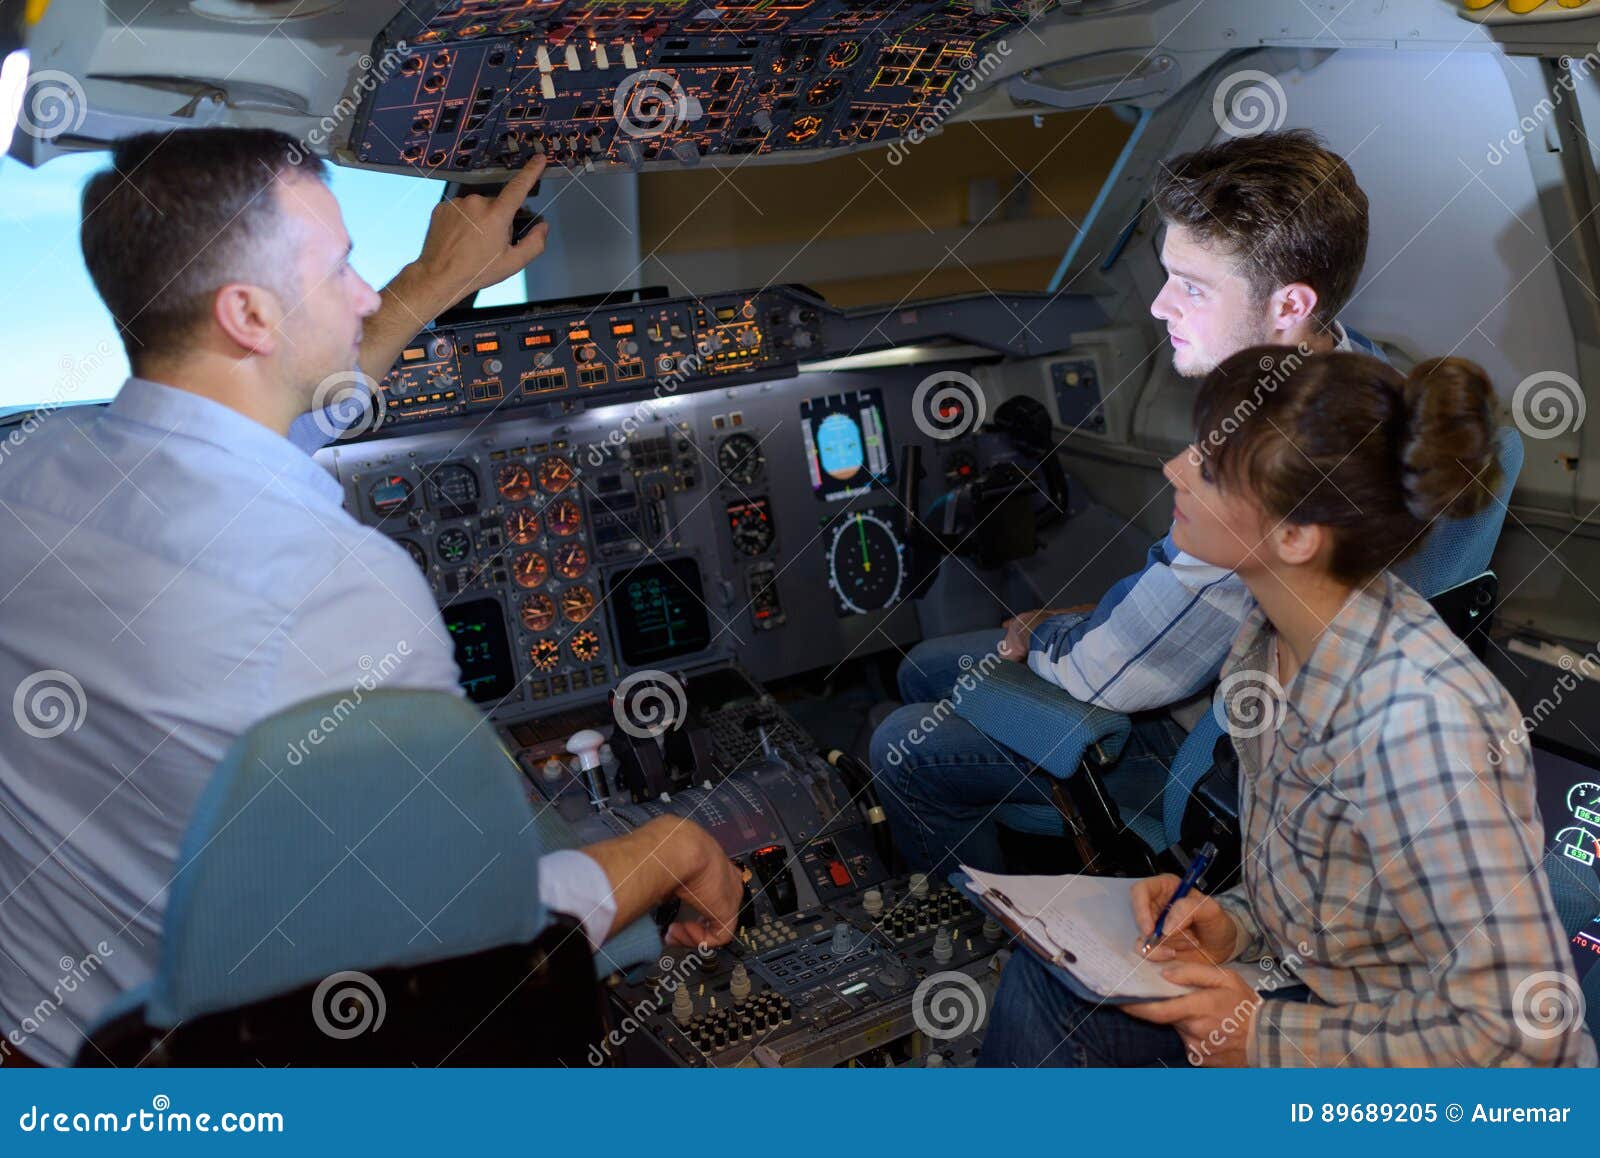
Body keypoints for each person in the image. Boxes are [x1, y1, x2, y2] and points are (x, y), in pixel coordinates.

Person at [0, 129, 741, 1068]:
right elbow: (469, 959)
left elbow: (255, 443)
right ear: (249, 316)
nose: (363, 293)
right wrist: (671, 846)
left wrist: (432, 285)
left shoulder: (31, 475)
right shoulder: (338, 587)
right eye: (342, 269)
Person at [980, 347, 1597, 1067]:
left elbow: (1526, 1043)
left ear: (1297, 536)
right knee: (1044, 983)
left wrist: (1261, 1038)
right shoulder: (1271, 639)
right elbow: (1335, 889)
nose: (1176, 470)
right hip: (1330, 992)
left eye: (1210, 469)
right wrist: (1233, 925)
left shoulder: (1415, 722)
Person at [873, 129, 1387, 875]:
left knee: (902, 736)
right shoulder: (1364, 369)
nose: (1157, 305)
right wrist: (1071, 623)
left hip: (1204, 751)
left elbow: (1108, 679)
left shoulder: (1272, 468)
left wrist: (1043, 640)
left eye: (1192, 285)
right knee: (930, 663)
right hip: (1237, 691)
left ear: (1289, 306)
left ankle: (971, 931)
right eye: (1167, 274)